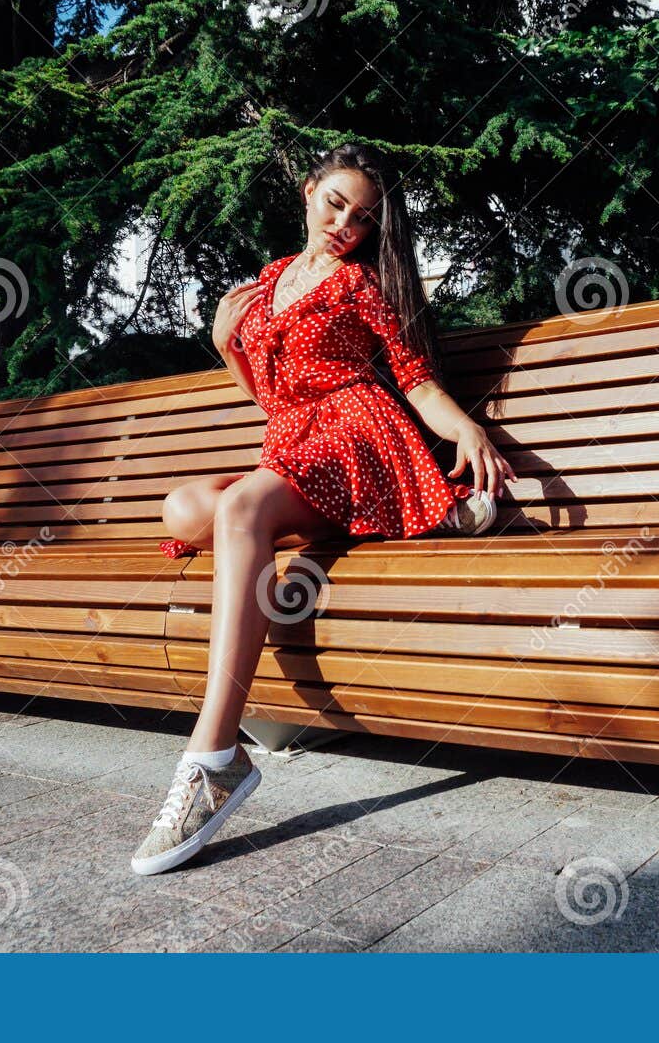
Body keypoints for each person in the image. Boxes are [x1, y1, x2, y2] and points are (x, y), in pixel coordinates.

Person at [131, 142, 517, 876]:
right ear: (309, 191)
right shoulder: (268, 280)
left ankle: (214, 756)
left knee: (241, 510)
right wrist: (226, 348)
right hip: (295, 443)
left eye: (363, 218)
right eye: (336, 205)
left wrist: (465, 428)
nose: (345, 225)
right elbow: (273, 400)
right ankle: (396, 513)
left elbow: (415, 380)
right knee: (184, 510)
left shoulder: (361, 283)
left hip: (354, 433)